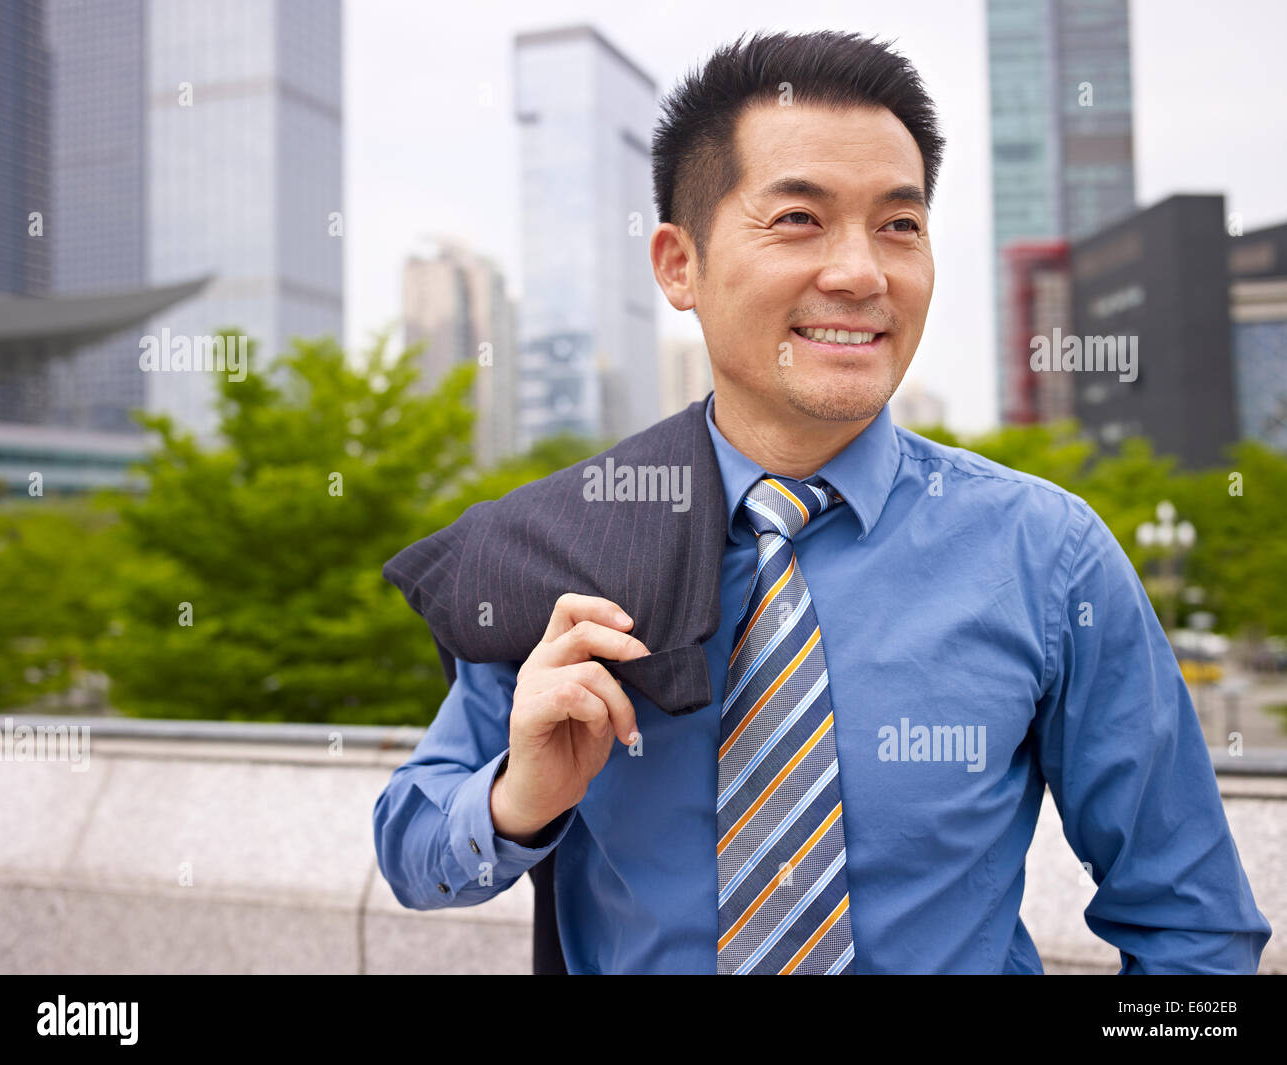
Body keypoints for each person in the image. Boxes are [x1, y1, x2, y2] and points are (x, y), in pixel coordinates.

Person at [373, 29, 1271, 974]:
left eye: (899, 225)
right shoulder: (561, 543)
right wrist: (519, 796)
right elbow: (412, 848)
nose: (861, 273)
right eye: (799, 218)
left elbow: (1194, 927)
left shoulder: (1046, 556)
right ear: (680, 265)